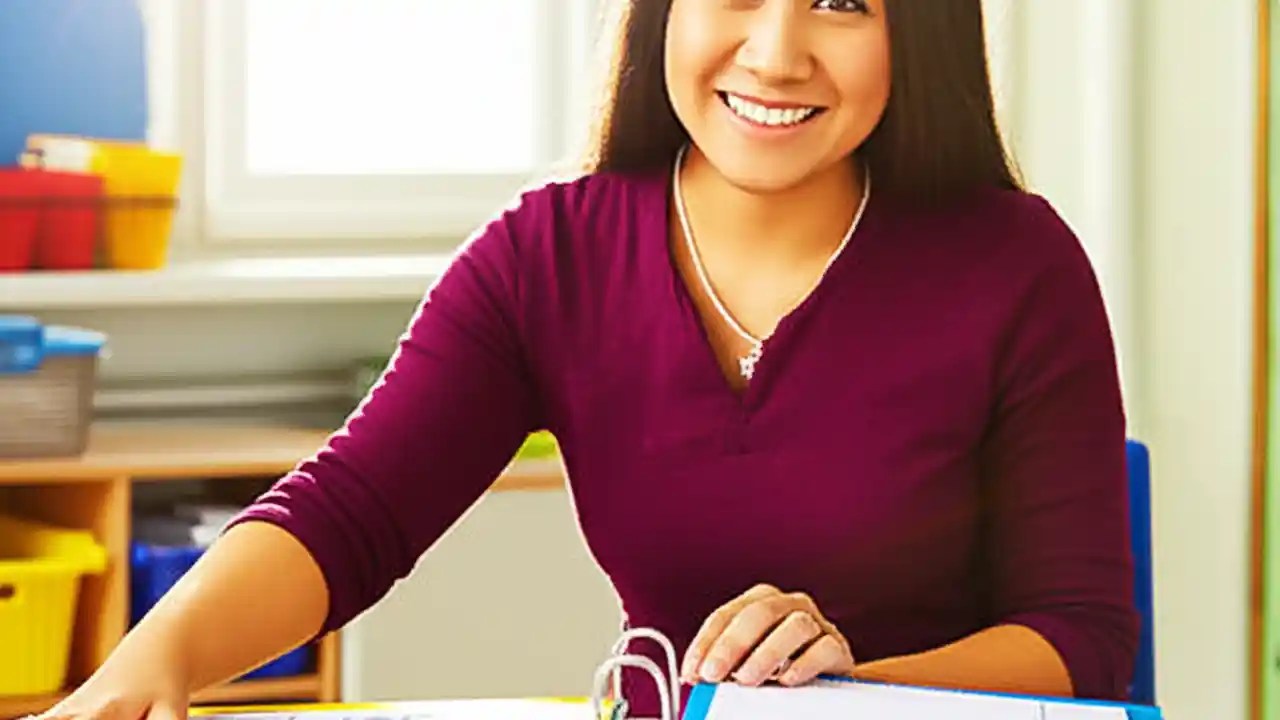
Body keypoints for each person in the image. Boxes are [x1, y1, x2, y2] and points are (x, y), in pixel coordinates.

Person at [39, 1, 1139, 719]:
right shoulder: (547, 256)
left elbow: (1078, 641)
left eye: (842, 2)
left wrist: (838, 696)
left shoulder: (1014, 265)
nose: (774, 52)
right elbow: (348, 512)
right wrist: (158, 660)